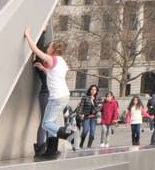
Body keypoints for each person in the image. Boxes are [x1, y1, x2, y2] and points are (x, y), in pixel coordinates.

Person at [23, 28, 72, 159]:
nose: (47, 49)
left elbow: (36, 50)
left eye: (49, 47)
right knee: (52, 123)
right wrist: (43, 68)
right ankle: (52, 149)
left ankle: (68, 135)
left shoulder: (52, 59)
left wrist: (28, 36)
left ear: (53, 50)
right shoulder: (61, 61)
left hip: (57, 97)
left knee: (46, 123)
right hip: (63, 96)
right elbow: (53, 75)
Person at [76, 84, 101, 149]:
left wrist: (93, 111)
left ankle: (89, 146)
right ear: (90, 90)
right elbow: (81, 106)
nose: (93, 91)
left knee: (92, 132)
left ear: (97, 91)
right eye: (92, 89)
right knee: (85, 131)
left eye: (95, 89)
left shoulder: (98, 98)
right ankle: (81, 143)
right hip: (86, 116)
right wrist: (80, 114)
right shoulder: (85, 97)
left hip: (93, 117)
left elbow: (99, 107)